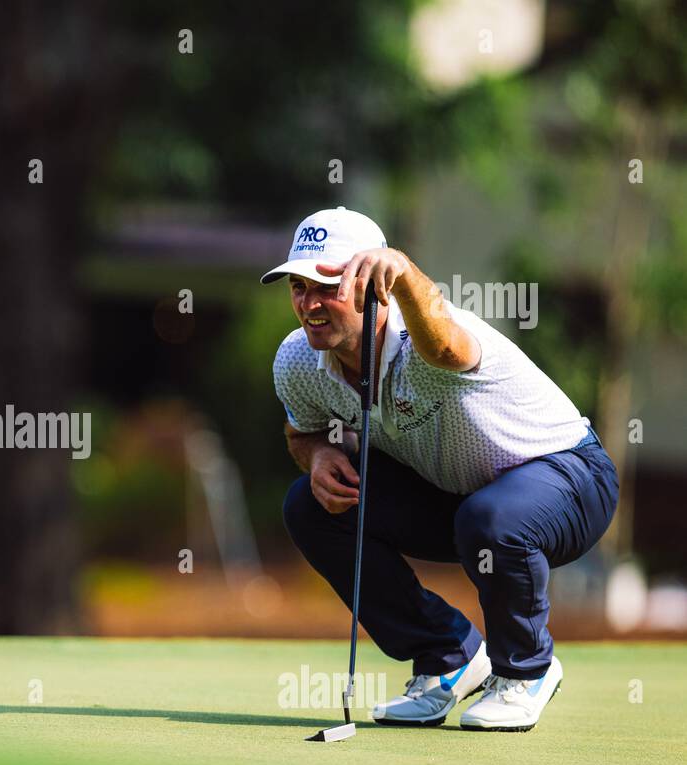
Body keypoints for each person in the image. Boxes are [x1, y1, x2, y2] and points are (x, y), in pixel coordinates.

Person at [264, 207, 618, 731]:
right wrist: (317, 456)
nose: (309, 303)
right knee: (308, 504)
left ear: (372, 288)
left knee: (492, 520)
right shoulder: (298, 361)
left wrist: (405, 272)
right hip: (460, 497)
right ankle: (447, 656)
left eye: (327, 286)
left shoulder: (425, 336)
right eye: (298, 286)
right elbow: (303, 431)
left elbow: (448, 348)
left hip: (570, 478)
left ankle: (526, 672)